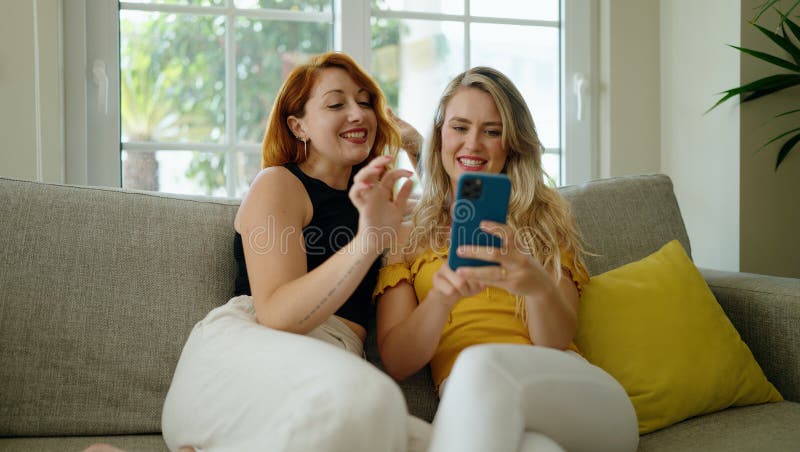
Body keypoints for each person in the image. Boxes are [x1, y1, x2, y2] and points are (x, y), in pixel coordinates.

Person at [157, 51, 426, 452]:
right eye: (336, 103)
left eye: (366, 101)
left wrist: (418, 147)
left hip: (333, 369)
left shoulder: (379, 204)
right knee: (377, 400)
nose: (358, 113)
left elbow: (450, 229)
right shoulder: (279, 184)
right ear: (298, 126)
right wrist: (369, 240)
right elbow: (278, 314)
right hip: (249, 354)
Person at [374, 67, 639, 452]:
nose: (474, 144)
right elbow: (398, 362)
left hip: (575, 394)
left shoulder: (545, 220)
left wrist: (535, 285)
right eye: (459, 127)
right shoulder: (406, 235)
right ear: (440, 136)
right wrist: (441, 299)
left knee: (480, 365)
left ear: (511, 143)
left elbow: (554, 342)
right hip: (478, 409)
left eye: (492, 131)